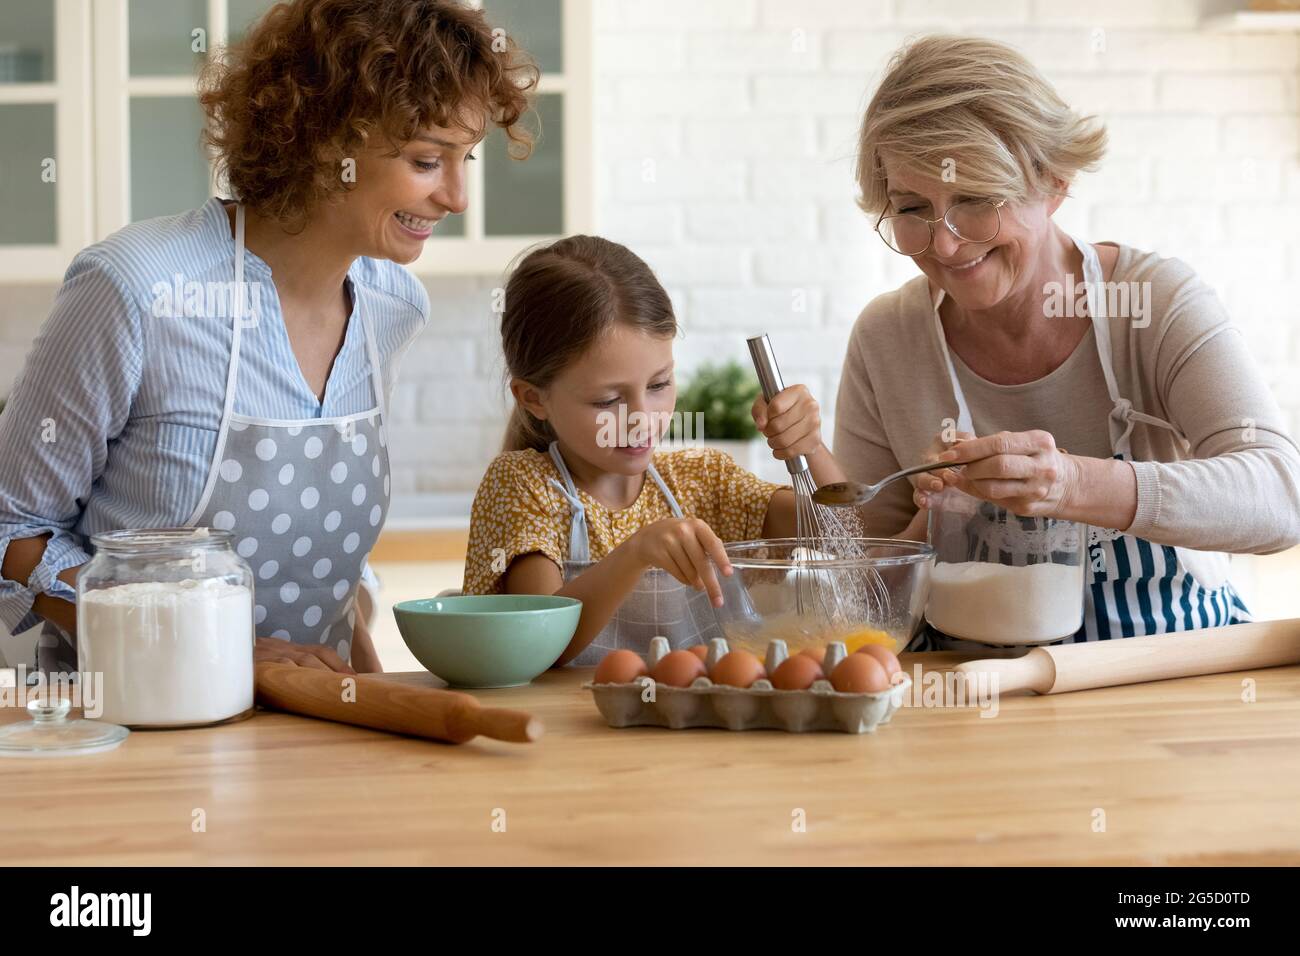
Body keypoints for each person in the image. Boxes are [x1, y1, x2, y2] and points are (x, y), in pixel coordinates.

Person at [0, 0, 537, 674]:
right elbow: (12, 532)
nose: (457, 197)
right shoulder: (139, 289)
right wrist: (222, 654)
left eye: (468, 159)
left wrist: (366, 697)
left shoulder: (391, 304)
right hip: (138, 736)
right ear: (323, 139)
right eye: (428, 160)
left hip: (312, 743)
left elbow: (328, 582)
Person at [835, 35, 1300, 646]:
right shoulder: (887, 340)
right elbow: (860, 595)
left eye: (976, 199)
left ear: (1054, 181)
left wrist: (1070, 485)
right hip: (970, 695)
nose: (944, 244)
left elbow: (1280, 495)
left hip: (1161, 685)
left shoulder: (1151, 300)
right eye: (913, 208)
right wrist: (933, 522)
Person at [462, 236, 846, 665]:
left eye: (659, 385)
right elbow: (537, 640)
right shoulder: (524, 486)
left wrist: (811, 448)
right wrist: (636, 553)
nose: (642, 418)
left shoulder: (702, 483)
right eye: (608, 400)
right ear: (533, 398)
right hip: (564, 728)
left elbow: (842, 536)